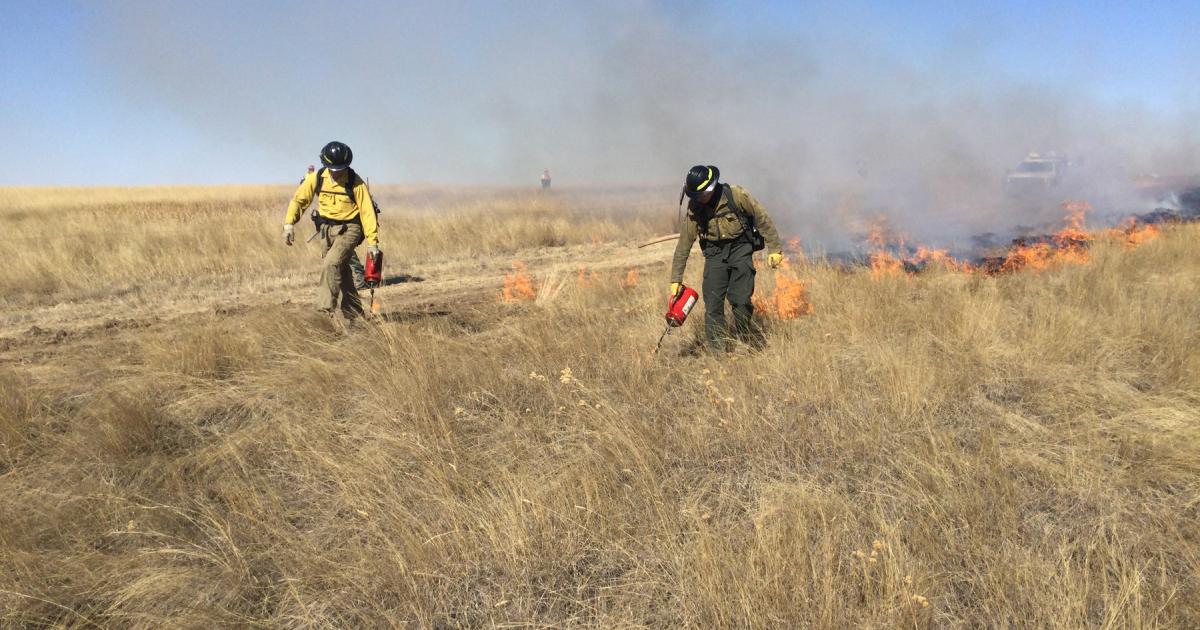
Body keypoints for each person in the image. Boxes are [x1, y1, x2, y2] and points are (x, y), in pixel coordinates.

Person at [669, 165, 783, 351]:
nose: (699, 199)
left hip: (740, 248)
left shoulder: (736, 195)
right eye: (695, 196)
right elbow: (684, 244)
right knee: (713, 304)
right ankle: (718, 352)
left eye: (701, 195)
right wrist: (676, 279)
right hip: (714, 254)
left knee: (741, 301)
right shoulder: (695, 208)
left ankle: (745, 341)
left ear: (712, 187)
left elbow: (762, 218)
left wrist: (775, 249)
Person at [283, 141, 380, 320]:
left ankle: (323, 312)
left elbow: (367, 213)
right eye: (333, 169)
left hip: (351, 229)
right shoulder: (317, 178)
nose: (338, 172)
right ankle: (356, 318)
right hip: (327, 230)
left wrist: (372, 243)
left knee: (331, 264)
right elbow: (299, 200)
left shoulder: (355, 182)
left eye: (341, 168)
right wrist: (289, 224)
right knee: (341, 273)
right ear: (326, 165)